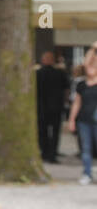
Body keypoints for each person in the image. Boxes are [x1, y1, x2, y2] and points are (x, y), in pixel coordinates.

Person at [66, 48, 97, 185]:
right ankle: (87, 173)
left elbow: (88, 62)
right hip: (84, 121)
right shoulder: (81, 85)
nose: (90, 68)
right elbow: (76, 103)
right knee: (86, 148)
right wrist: (72, 120)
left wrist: (94, 49)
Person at [36, 51, 68, 163]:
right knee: (54, 133)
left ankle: (45, 152)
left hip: (41, 108)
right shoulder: (60, 73)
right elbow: (66, 90)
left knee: (42, 131)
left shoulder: (37, 73)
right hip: (56, 108)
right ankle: (52, 154)